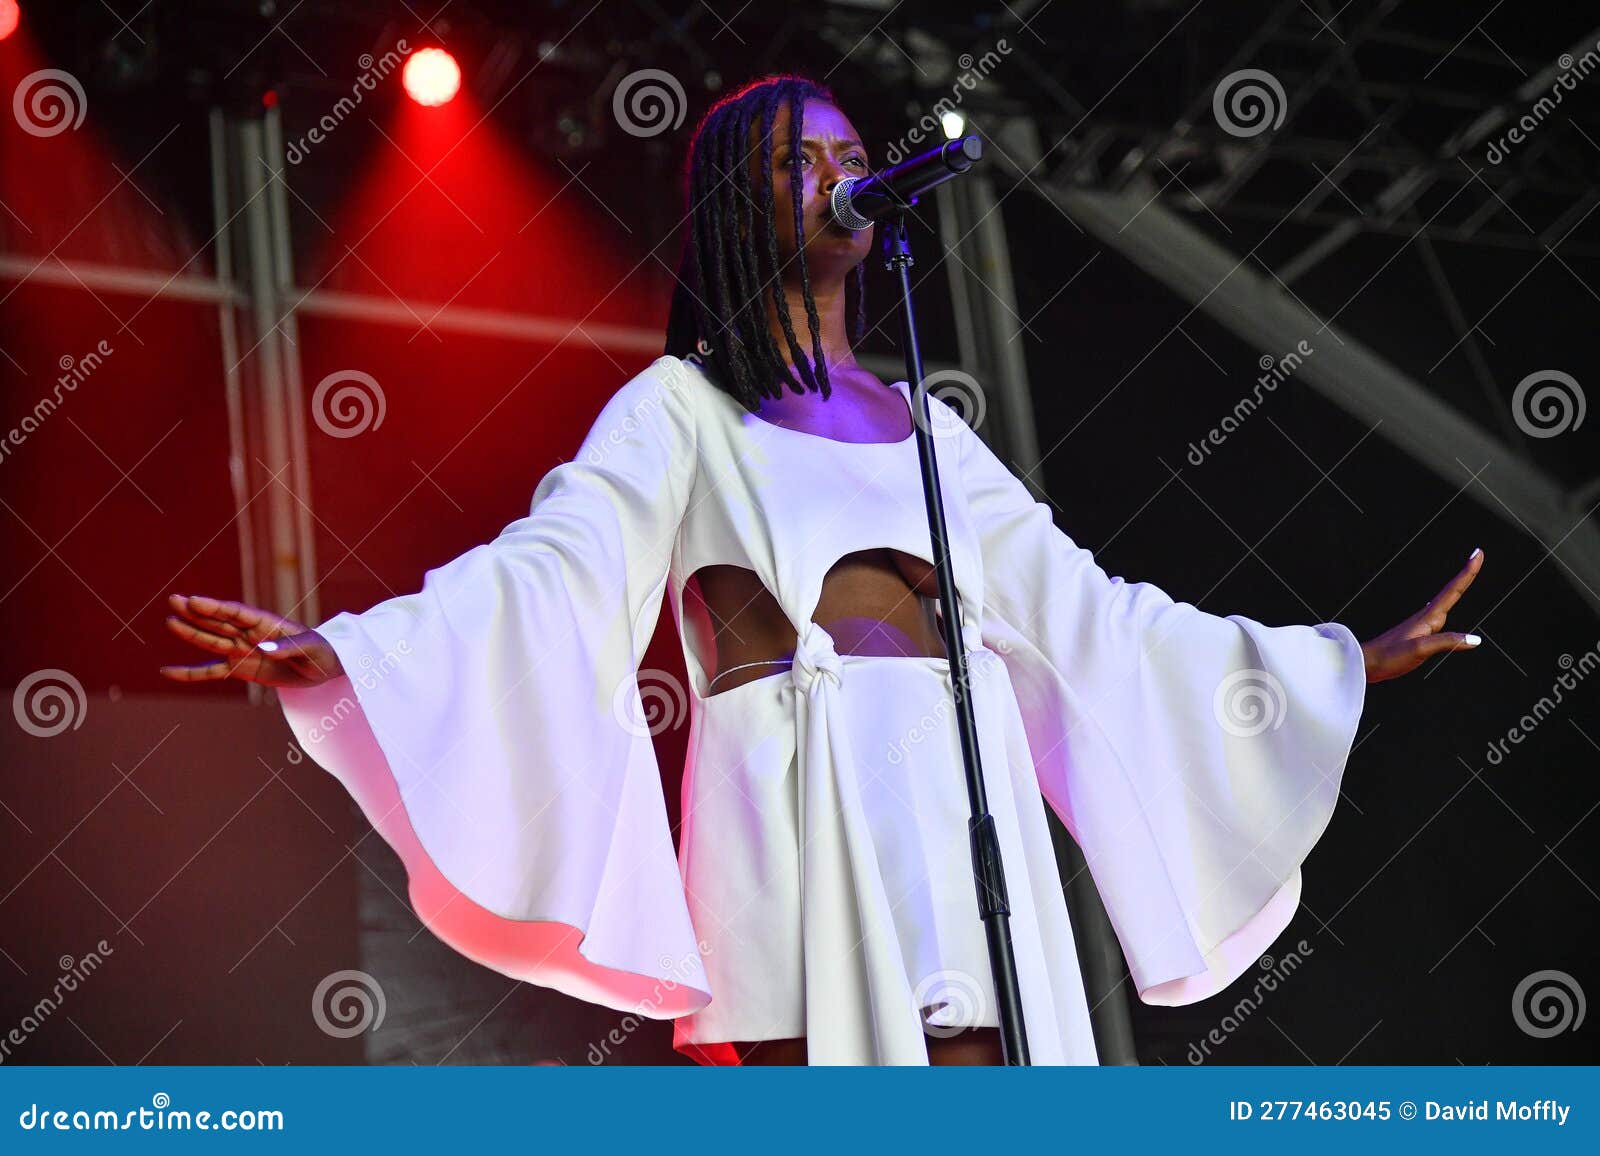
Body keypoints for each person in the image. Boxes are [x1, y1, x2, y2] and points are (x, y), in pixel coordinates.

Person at [159, 74, 1485, 1066]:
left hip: (959, 803)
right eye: (803, 164)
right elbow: (556, 571)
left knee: (986, 1069)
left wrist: (1332, 665)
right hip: (794, 805)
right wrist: (354, 651)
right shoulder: (680, 412)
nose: (840, 179)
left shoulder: (933, 431)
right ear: (741, 202)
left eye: (855, 159)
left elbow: (1092, 619)